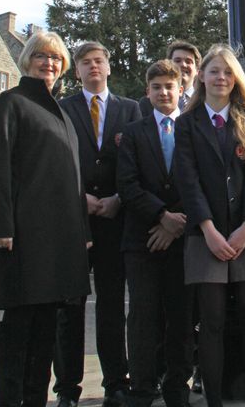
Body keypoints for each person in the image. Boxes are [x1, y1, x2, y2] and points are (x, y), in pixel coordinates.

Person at [0, 31, 91, 407]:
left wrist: (83, 231)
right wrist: (0, 227)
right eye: (42, 56)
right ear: (27, 59)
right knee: (18, 328)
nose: (49, 63)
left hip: (60, 242)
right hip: (24, 238)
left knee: (46, 329)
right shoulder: (11, 102)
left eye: (57, 58)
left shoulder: (61, 114)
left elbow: (74, 179)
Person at [174, 44, 245, 407]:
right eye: (214, 71)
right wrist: (209, 230)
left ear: (237, 79)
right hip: (206, 236)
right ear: (201, 76)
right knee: (212, 321)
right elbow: (187, 180)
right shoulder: (186, 124)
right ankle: (214, 400)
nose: (221, 77)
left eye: (228, 72)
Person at [54, 42, 141, 407]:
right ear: (76, 71)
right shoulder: (61, 109)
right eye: (85, 62)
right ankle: (67, 389)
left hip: (115, 221)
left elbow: (140, 160)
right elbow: (56, 163)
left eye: (98, 61)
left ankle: (116, 383)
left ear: (108, 67)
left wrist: (119, 199)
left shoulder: (131, 109)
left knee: (111, 306)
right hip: (75, 223)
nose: (92, 66)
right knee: (69, 308)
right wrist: (80, 200)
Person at [118, 60, 194, 407]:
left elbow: (201, 182)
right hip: (142, 239)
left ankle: (177, 386)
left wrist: (177, 223)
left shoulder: (194, 129)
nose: (164, 93)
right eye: (157, 87)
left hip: (184, 240)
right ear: (147, 92)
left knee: (180, 316)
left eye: (169, 86)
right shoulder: (133, 133)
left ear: (181, 89)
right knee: (142, 317)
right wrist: (162, 216)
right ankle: (142, 387)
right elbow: (127, 184)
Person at [139, 40, 201, 117]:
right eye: (177, 60)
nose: (183, 65)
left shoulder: (205, 101)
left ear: (197, 70)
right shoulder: (147, 103)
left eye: (188, 61)